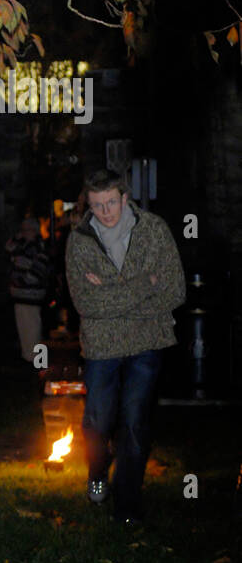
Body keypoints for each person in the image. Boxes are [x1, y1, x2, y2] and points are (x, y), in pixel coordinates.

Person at [66, 170, 184, 524]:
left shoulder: (154, 231)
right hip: (101, 347)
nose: (105, 213)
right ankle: (98, 472)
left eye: (111, 203)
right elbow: (86, 303)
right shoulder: (79, 240)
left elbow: (175, 290)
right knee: (98, 421)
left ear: (125, 197)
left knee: (134, 422)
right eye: (97, 206)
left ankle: (127, 505)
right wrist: (144, 284)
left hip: (148, 343)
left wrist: (113, 293)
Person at [6, 217, 52, 364]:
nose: (23, 233)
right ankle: (30, 359)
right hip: (21, 294)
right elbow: (9, 247)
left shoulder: (38, 247)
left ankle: (39, 361)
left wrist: (22, 281)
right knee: (25, 330)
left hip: (30, 294)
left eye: (26, 230)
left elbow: (39, 269)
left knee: (33, 329)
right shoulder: (24, 245)